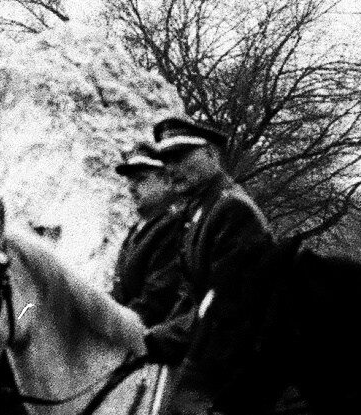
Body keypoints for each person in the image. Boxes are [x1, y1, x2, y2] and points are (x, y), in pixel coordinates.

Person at [136, 115, 272, 366]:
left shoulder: (232, 209)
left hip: (230, 364)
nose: (172, 169)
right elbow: (189, 296)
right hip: (204, 350)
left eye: (180, 157)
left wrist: (157, 338)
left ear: (211, 153)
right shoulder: (200, 210)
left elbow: (224, 307)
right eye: (166, 160)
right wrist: (153, 333)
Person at [107, 140, 190, 326]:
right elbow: (121, 292)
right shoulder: (139, 228)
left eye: (141, 179)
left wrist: (113, 327)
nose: (131, 187)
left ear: (166, 181)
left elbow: (156, 301)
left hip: (154, 339)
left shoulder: (173, 226)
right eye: (130, 180)